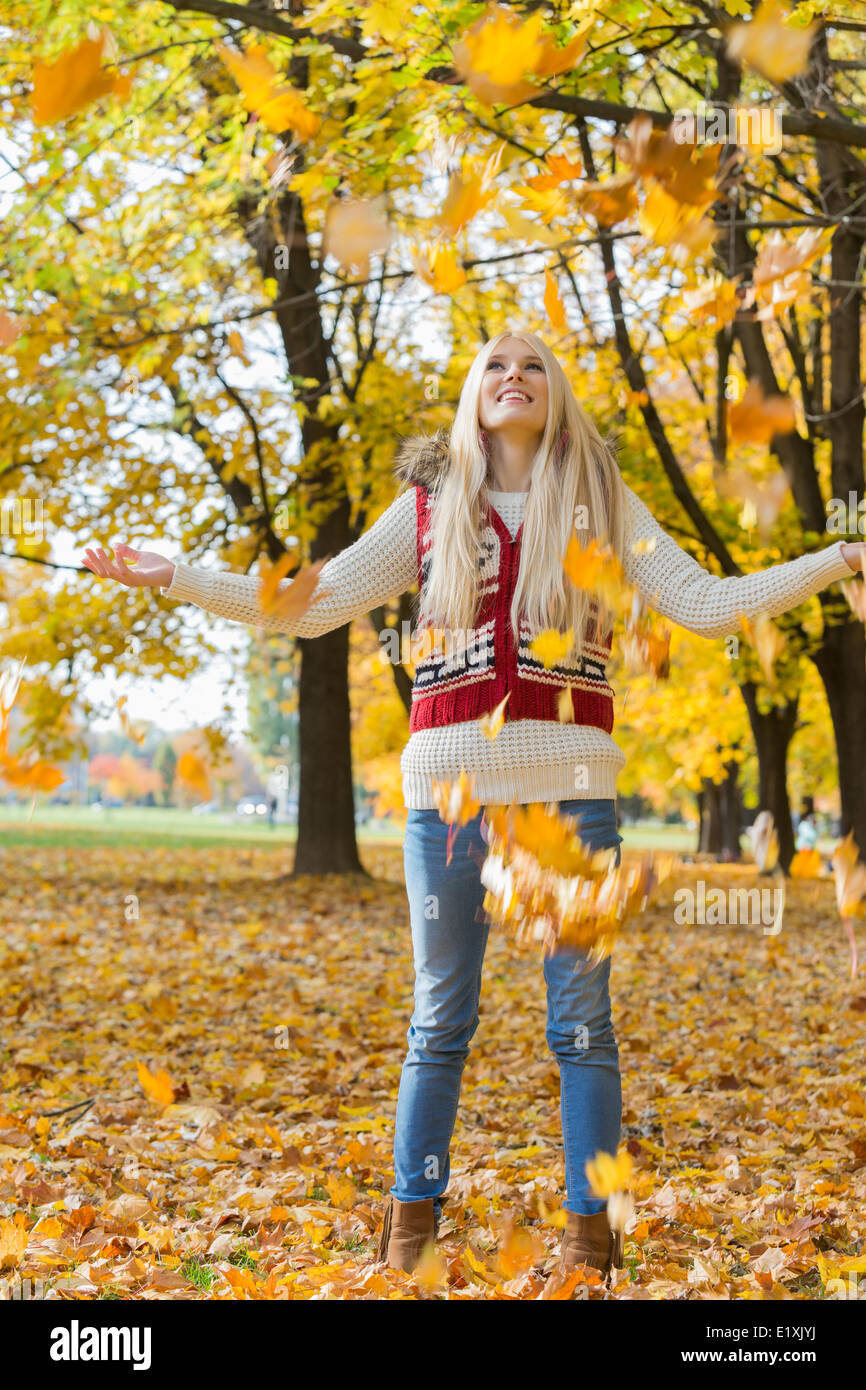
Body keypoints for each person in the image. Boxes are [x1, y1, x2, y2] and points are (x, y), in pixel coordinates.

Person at [81, 328, 864, 1284]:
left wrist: (837, 559)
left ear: (557, 394)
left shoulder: (605, 502)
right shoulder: (426, 506)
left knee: (582, 1026)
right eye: (496, 364)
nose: (515, 376)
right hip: (446, 800)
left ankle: (589, 1237)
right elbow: (313, 602)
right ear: (473, 393)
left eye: (533, 365)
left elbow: (705, 605)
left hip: (573, 800)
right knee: (439, 1019)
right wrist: (182, 577)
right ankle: (410, 1228)